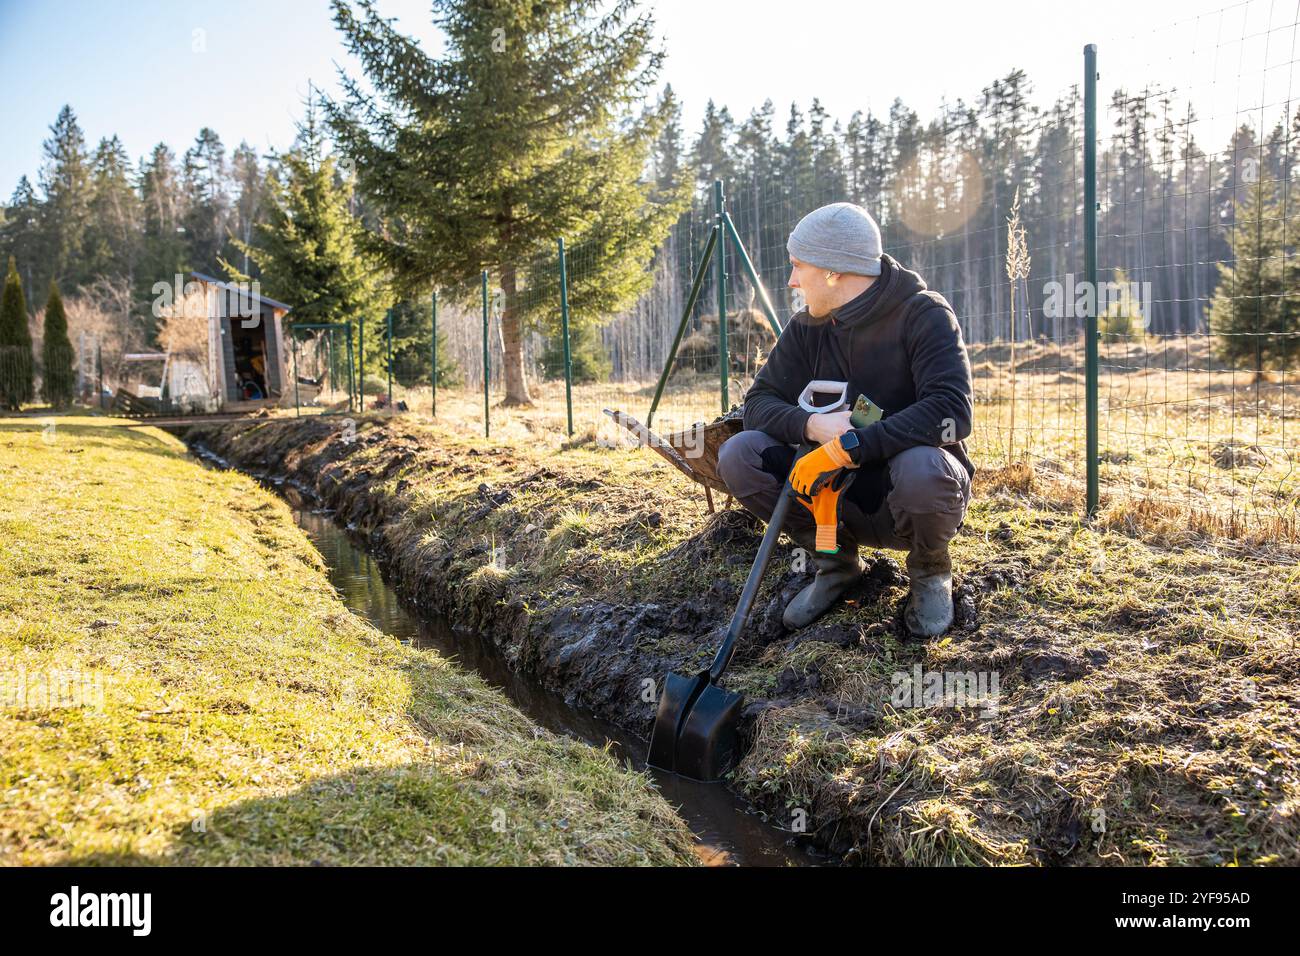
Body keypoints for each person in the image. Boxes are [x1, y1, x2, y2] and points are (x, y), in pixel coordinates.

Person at [717, 202, 975, 638]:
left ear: (834, 271)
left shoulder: (923, 314)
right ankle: (837, 565)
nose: (792, 280)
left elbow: (952, 410)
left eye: (799, 266)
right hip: (830, 500)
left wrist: (854, 445)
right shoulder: (809, 327)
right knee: (738, 453)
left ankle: (930, 571)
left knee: (923, 468)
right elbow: (758, 401)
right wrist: (812, 427)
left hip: (904, 497)